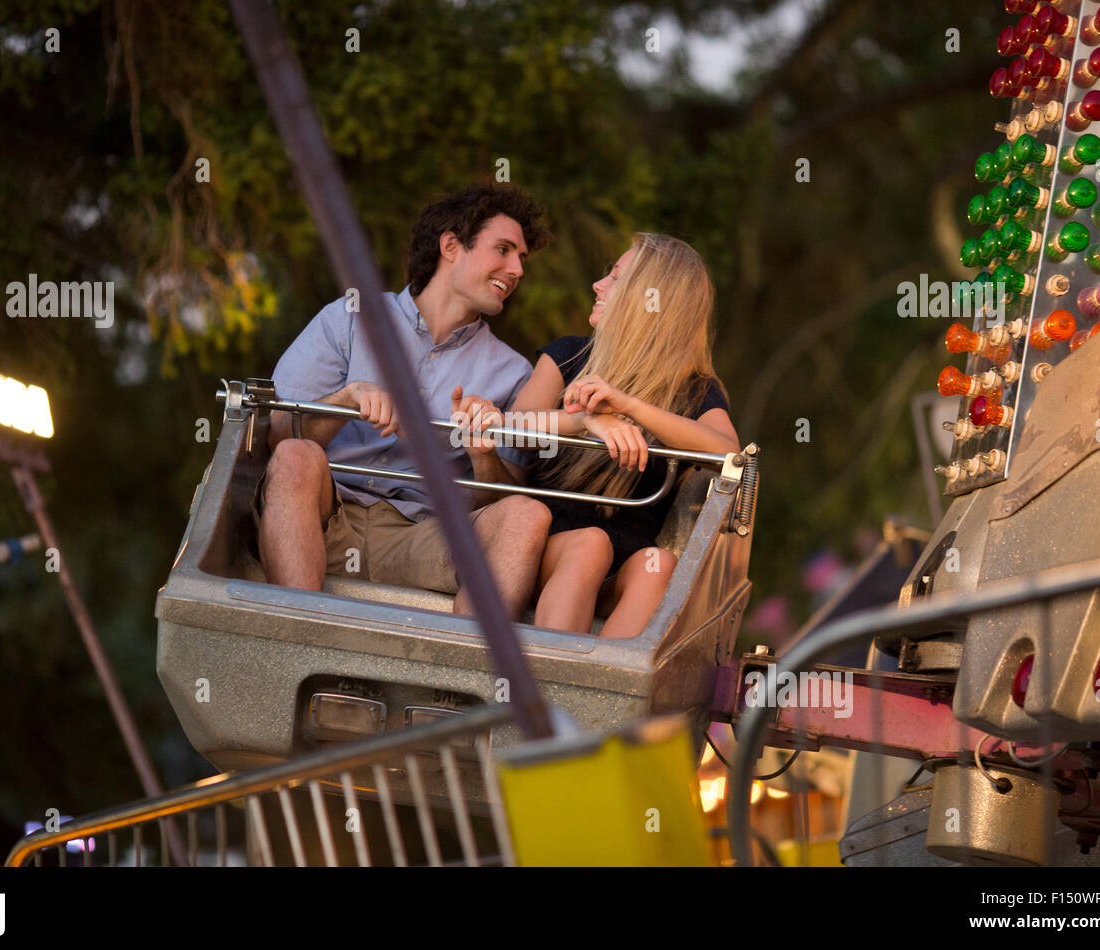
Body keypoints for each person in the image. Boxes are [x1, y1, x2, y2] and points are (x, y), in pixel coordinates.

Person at [256, 184, 552, 621]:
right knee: (296, 454)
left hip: (427, 537)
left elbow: (501, 496)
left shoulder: (512, 373)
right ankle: (306, 638)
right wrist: (348, 397)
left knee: (527, 514)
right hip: (327, 518)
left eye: (521, 259)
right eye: (504, 250)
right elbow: (278, 437)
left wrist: (483, 453)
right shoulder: (350, 318)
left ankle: (461, 678)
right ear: (451, 246)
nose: (517, 269)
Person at [510, 233, 740, 637]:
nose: (598, 286)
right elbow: (514, 425)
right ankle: (552, 689)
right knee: (591, 545)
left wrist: (629, 406)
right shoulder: (567, 356)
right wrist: (584, 419)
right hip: (555, 547)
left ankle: (601, 697)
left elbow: (728, 451)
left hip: (624, 561)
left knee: (660, 564)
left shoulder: (694, 389)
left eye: (615, 278)